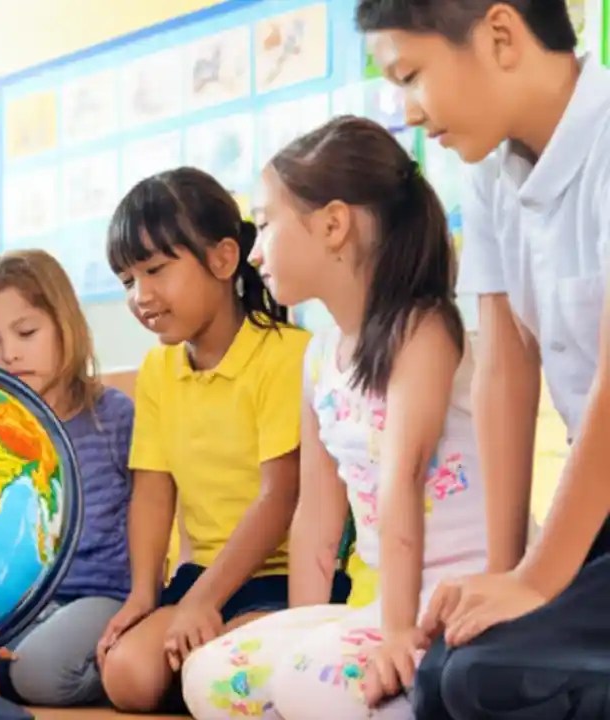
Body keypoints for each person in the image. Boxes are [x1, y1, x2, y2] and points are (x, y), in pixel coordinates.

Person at [179, 115, 488, 720]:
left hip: (460, 603)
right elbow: (317, 519)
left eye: (266, 222)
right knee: (211, 676)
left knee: (307, 685)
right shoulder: (320, 355)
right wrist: (301, 629)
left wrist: (398, 634)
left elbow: (400, 484)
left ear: (333, 224)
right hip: (388, 608)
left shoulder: (423, 329)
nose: (256, 249)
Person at [357, 1, 610, 717]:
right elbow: (505, 371)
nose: (406, 111)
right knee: (450, 669)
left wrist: (536, 581)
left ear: (500, 35)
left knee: (485, 682)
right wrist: (505, 577)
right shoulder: (492, 174)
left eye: (411, 75)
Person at [96, 167, 350, 713]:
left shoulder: (287, 354)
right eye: (127, 281)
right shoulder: (158, 368)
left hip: (279, 579)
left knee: (221, 668)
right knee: (126, 677)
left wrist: (203, 602)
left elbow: (279, 497)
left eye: (156, 270)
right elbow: (153, 491)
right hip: (197, 578)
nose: (141, 296)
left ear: (223, 259)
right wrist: (146, 595)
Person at [0, 249, 135, 706]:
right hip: (14, 603)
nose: (9, 354)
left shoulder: (113, 417)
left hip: (97, 597)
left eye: (26, 333)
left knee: (39, 674)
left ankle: (113, 672)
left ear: (63, 326)